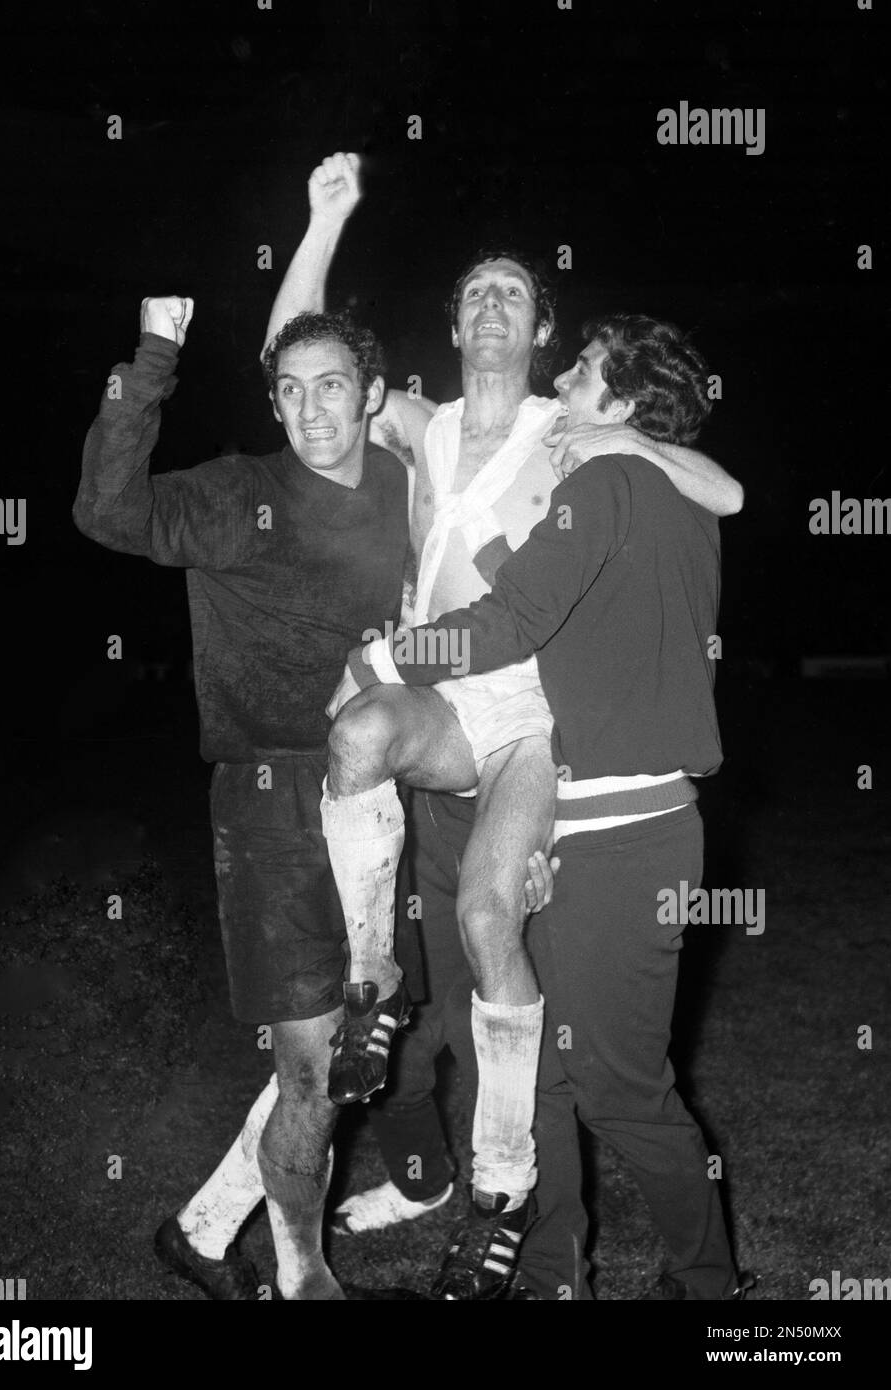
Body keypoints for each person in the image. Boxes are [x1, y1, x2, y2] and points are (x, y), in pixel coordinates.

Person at [268, 152, 744, 1295]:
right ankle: (385, 1013)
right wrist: (324, 219)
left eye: (515, 296)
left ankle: (534, 1235)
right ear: (454, 323)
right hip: (439, 725)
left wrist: (628, 436)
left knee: (499, 942)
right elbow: (297, 360)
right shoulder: (425, 428)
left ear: (542, 335)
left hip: (529, 734)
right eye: (472, 290)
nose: (489, 304)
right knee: (461, 998)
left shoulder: (567, 437)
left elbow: (720, 491)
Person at [73, 296, 419, 1300]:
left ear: (372, 398)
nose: (311, 412)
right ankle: (307, 1280)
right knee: (313, 1068)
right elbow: (106, 511)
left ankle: (206, 1227)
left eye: (332, 388)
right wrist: (152, 355)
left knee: (374, 1039)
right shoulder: (238, 494)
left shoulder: (410, 490)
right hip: (271, 808)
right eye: (290, 390)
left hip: (392, 795)